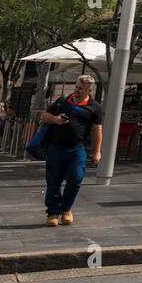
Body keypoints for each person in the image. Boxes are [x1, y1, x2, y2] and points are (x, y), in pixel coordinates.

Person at [39, 74, 102, 226]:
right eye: (76, 87)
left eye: (81, 88)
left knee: (76, 178)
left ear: (89, 90)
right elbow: (44, 116)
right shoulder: (62, 101)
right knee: (53, 182)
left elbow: (96, 130)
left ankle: (66, 209)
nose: (77, 90)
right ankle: (52, 213)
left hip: (77, 149)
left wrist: (97, 151)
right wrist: (55, 119)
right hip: (56, 147)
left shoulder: (94, 107)